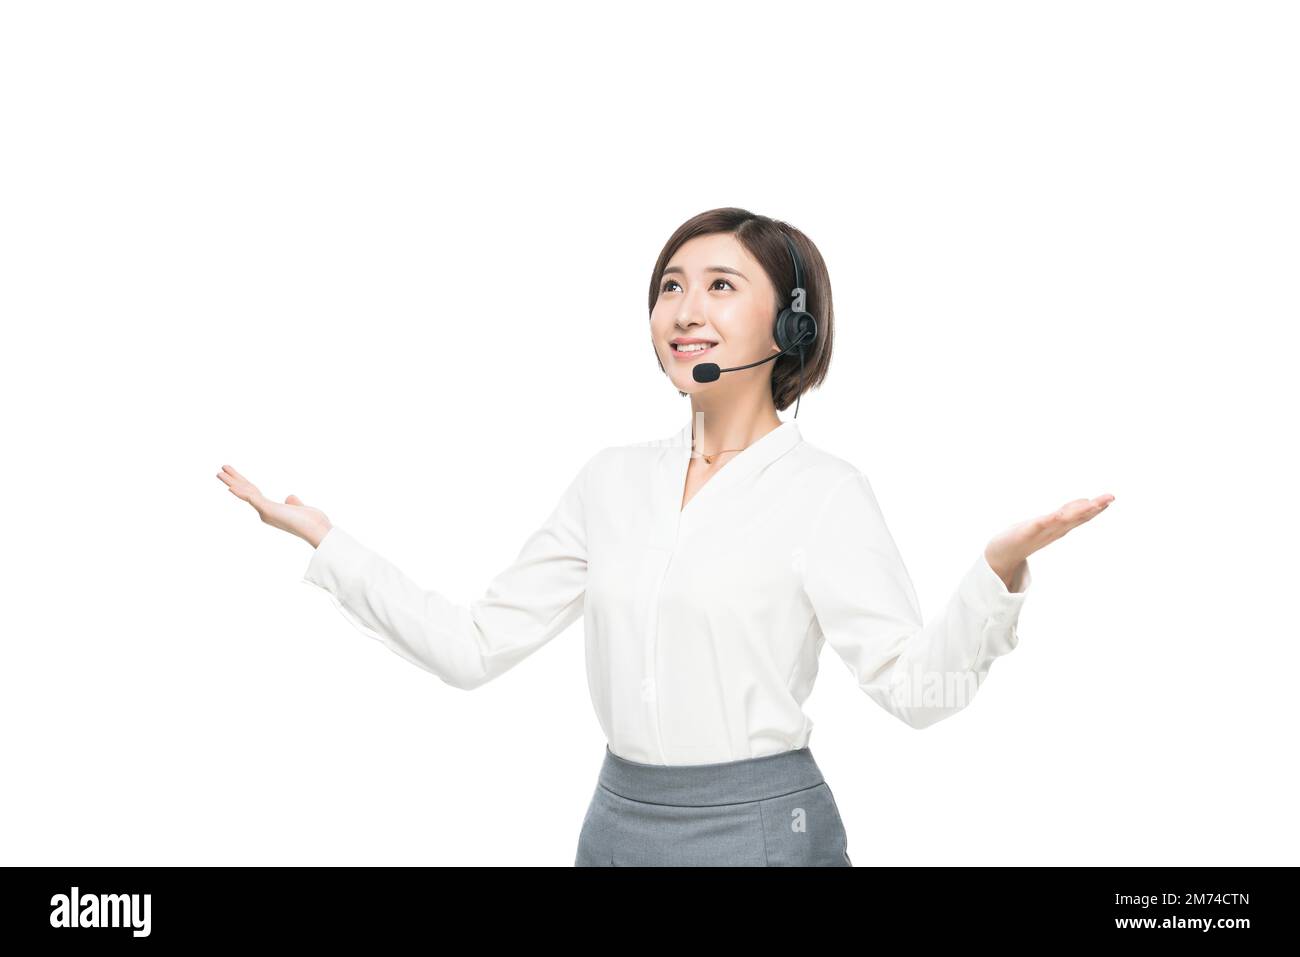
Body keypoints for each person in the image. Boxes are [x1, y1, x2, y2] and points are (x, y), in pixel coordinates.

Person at [216, 207, 1113, 866]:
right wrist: (329, 544)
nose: (684, 310)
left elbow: (917, 690)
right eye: (670, 288)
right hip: (614, 824)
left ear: (789, 325)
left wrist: (998, 571)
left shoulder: (824, 494)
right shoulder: (610, 480)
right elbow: (473, 645)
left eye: (721, 286)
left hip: (761, 832)